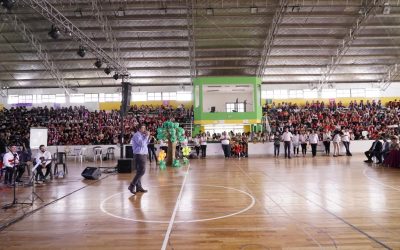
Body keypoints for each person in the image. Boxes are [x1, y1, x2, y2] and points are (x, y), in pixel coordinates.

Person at [128, 124, 149, 196]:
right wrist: (146, 136)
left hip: (143, 154)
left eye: (145, 128)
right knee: (142, 171)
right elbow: (142, 144)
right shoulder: (137, 135)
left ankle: (139, 187)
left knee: (139, 171)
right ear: (139, 129)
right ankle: (132, 185)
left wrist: (147, 137)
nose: (144, 129)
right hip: (139, 155)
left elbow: (146, 144)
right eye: (143, 128)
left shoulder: (142, 135)